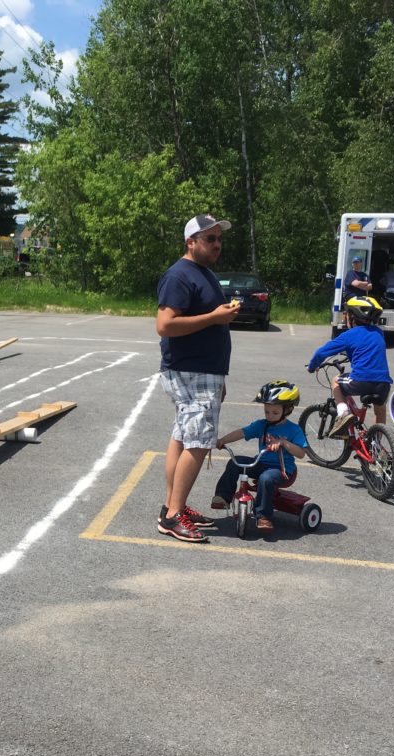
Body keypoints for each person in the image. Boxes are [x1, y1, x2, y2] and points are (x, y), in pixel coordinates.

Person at [155, 213, 240, 544]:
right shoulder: (179, 276)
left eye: (219, 239)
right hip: (191, 371)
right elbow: (165, 325)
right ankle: (174, 516)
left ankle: (171, 507)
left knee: (182, 437)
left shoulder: (203, 272)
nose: (217, 245)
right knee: (199, 442)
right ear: (191, 242)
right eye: (210, 239)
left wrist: (218, 377)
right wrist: (215, 317)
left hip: (203, 372)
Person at [210, 380, 308, 533]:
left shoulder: (293, 430)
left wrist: (283, 442)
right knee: (235, 463)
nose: (269, 416)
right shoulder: (262, 425)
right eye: (267, 411)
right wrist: (222, 440)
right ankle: (223, 497)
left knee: (266, 478)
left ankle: (263, 515)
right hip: (261, 463)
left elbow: (301, 453)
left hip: (282, 470)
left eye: (274, 413)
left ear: (288, 409)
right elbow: (242, 432)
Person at [308, 296, 392, 437]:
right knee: (380, 409)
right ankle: (376, 445)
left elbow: (321, 353)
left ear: (352, 317)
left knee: (336, 380)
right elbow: (368, 349)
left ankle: (343, 414)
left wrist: (311, 367)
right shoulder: (379, 332)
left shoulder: (349, 335)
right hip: (383, 383)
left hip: (361, 381)